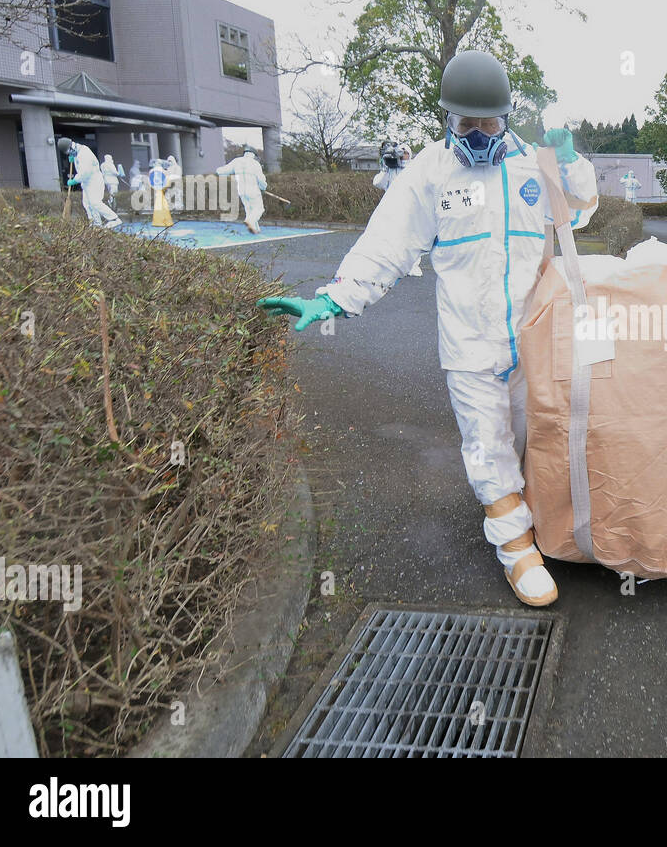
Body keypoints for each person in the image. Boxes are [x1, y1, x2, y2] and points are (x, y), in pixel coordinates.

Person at [256, 50, 598, 607]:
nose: (478, 133)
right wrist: (334, 299)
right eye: (467, 122)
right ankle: (517, 551)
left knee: (534, 440)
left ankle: (539, 521)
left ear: (506, 116)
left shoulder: (534, 165)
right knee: (487, 448)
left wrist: (570, 159)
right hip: (468, 344)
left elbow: (584, 207)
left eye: (488, 122)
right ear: (447, 119)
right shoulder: (429, 173)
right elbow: (387, 244)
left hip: (533, 338)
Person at [373, 141, 423, 276]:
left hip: (410, 209)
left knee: (412, 239)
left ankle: (413, 266)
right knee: (391, 238)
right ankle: (392, 265)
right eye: (400, 153)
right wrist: (385, 168)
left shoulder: (414, 168)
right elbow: (378, 183)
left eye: (405, 153)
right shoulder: (391, 168)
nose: (402, 156)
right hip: (391, 209)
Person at [57, 137, 122, 228]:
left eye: (68, 152)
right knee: (87, 204)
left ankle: (114, 219)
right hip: (87, 183)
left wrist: (75, 180)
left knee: (95, 202)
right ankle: (96, 223)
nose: (68, 154)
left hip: (94, 181)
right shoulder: (77, 153)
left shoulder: (84, 153)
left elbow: (85, 172)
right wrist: (73, 159)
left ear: (71, 147)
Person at [216, 145, 268, 234]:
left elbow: (223, 171)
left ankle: (255, 229)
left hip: (241, 190)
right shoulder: (255, 163)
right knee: (259, 209)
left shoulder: (237, 161)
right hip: (253, 190)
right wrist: (263, 187)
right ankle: (250, 221)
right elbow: (261, 179)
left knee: (249, 209)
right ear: (254, 155)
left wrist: (217, 170)